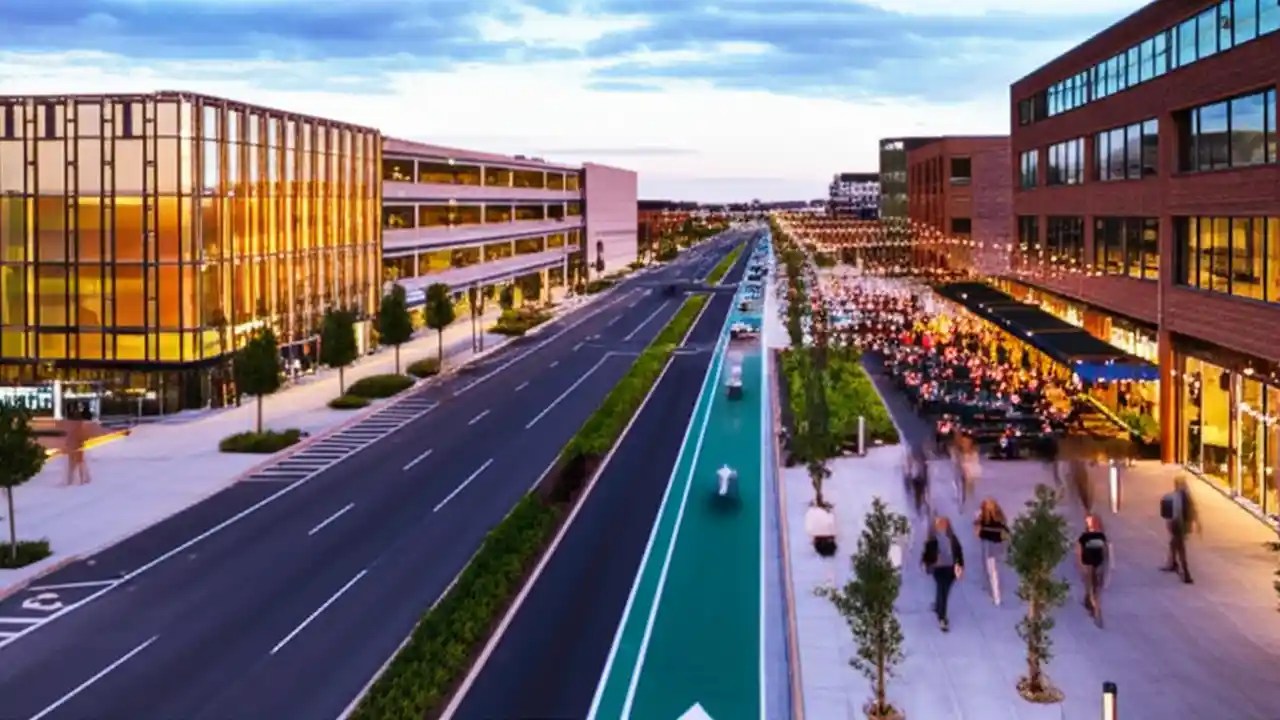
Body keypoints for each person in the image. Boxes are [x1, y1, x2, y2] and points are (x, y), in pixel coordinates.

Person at [921, 515, 964, 632]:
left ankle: (939, 607)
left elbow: (959, 553)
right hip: (939, 569)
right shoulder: (933, 540)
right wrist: (927, 564)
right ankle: (942, 617)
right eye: (939, 524)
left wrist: (960, 567)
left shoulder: (952, 539)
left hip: (950, 569)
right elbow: (926, 554)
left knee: (944, 590)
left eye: (943, 524)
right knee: (942, 590)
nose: (941, 526)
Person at [1161, 475, 1198, 584]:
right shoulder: (1186, 495)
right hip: (1180, 526)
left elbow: (1176, 513)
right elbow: (1193, 510)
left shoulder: (1178, 496)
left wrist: (1175, 524)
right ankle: (1173, 563)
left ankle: (1186, 573)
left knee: (1181, 549)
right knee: (1173, 544)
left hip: (1178, 526)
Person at [1076, 513, 1112, 627]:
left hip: (1096, 564)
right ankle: (1095, 609)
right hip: (1090, 564)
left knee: (1095, 587)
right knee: (1092, 587)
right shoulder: (1087, 537)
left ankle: (1093, 606)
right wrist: (1081, 565)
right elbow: (1079, 552)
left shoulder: (1098, 536)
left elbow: (1106, 552)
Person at [973, 498, 1009, 606]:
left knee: (992, 571)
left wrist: (977, 520)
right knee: (995, 569)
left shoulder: (983, 519)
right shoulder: (1000, 518)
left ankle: (996, 595)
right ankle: (993, 591)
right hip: (1000, 546)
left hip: (989, 547)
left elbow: (977, 533)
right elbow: (1006, 531)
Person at [904, 445, 930, 519]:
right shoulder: (916, 457)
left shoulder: (917, 457)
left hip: (918, 477)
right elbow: (909, 467)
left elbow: (924, 466)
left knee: (920, 493)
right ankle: (920, 507)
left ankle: (920, 506)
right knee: (919, 493)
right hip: (917, 478)